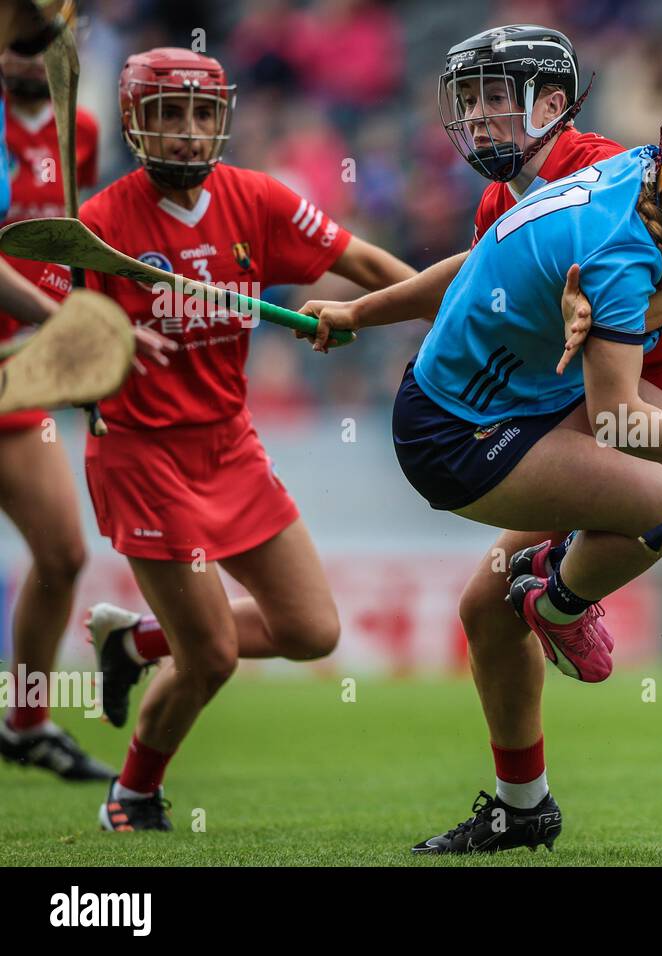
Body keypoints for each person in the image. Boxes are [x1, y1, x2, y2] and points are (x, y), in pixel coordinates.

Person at [303, 22, 662, 860]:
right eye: (471, 100)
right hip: (608, 411)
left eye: (497, 99)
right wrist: (361, 311)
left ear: (551, 106)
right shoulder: (507, 196)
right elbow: (479, 283)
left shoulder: (629, 175)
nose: (480, 118)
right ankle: (521, 806)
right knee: (486, 606)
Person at [71, 47, 415, 833]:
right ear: (134, 123)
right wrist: (105, 344)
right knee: (212, 658)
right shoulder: (98, 228)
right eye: (166, 114)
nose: (187, 133)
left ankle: (135, 643)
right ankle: (131, 796)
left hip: (230, 446)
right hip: (142, 454)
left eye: (201, 114)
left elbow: (358, 259)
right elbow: (59, 349)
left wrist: (441, 314)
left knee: (310, 630)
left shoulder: (255, 200)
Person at [0, 40, 113, 780]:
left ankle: (26, 723)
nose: (25, 54)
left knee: (65, 553)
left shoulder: (83, 131)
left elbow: (78, 248)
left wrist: (89, 338)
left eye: (39, 38)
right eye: (13, 38)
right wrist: (63, 322)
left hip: (19, 374)